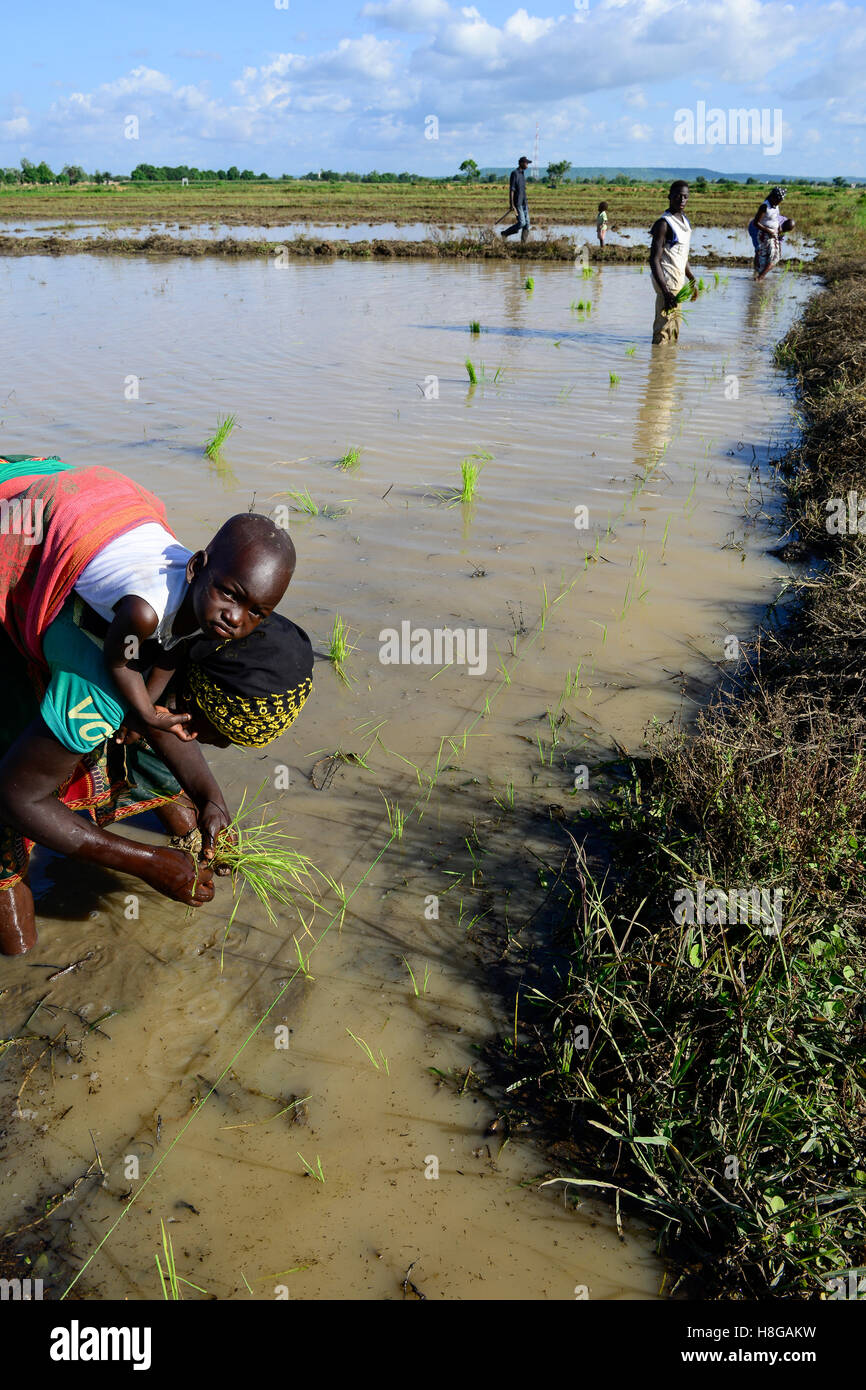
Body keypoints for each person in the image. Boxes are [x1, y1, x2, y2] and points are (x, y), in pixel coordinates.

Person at [0, 456, 313, 955]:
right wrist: (147, 863)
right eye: (213, 732)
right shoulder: (104, 686)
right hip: (39, 525)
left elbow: (163, 707)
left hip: (103, 505)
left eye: (256, 612)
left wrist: (211, 797)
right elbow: (18, 798)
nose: (205, 743)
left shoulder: (199, 620)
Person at [649, 180, 697, 345]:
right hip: (667, 283)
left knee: (674, 329)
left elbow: (682, 255)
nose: (682, 200)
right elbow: (654, 259)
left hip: (678, 283)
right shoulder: (664, 224)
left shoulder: (685, 222)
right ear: (669, 197)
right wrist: (665, 291)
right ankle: (659, 367)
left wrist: (690, 278)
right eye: (678, 196)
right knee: (662, 332)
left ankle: (668, 367)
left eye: (685, 197)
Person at [748, 186, 787, 281]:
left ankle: (758, 277)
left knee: (769, 257)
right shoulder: (765, 206)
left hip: (772, 235)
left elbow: (775, 219)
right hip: (765, 235)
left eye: (780, 200)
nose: (779, 202)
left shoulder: (775, 206)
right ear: (772, 197)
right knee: (773, 258)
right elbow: (756, 223)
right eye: (778, 200)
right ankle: (760, 278)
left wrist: (777, 229)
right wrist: (769, 231)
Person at [501, 156, 532, 243]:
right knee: (522, 223)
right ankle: (505, 233)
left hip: (524, 202)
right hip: (517, 203)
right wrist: (512, 204)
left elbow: (523, 190)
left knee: (527, 224)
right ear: (521, 163)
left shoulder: (522, 174)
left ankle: (523, 244)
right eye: (526, 163)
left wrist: (527, 203)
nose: (527, 165)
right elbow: (512, 189)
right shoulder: (514, 173)